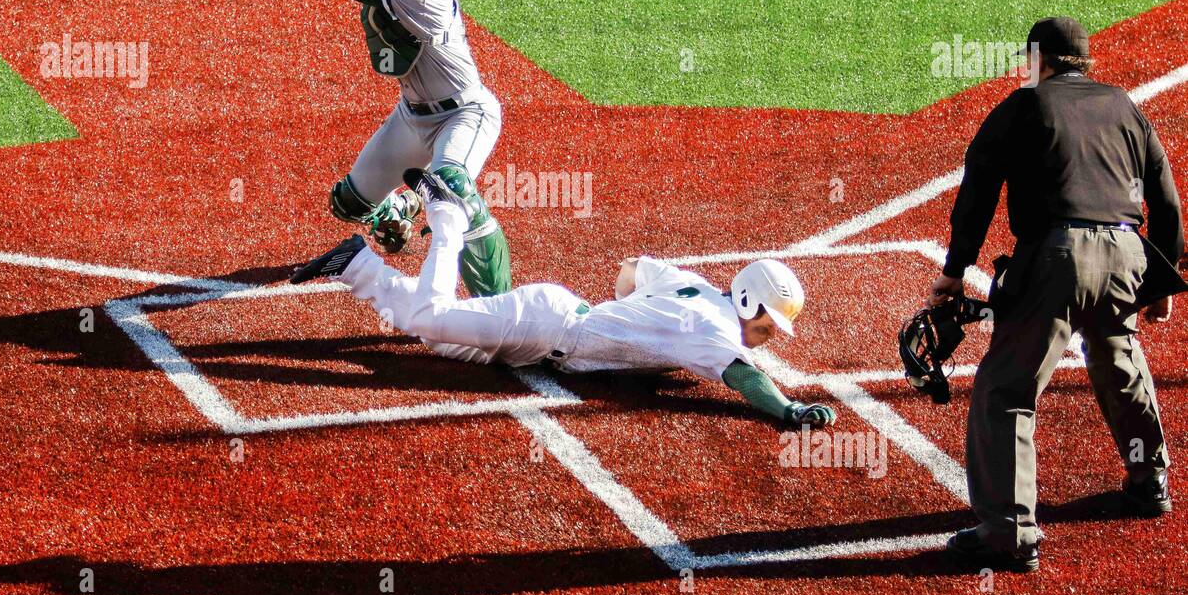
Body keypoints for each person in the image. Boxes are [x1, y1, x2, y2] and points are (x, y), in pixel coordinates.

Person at [927, 16, 1187, 572]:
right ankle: (1150, 482)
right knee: (1118, 360)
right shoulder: (1124, 105)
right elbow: (1165, 200)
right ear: (1086, 61)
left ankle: (1009, 533)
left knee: (1007, 390)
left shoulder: (1025, 105)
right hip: (1126, 254)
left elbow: (979, 187)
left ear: (1035, 60)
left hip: (1058, 259)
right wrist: (1161, 282)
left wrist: (954, 270)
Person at [296, 168, 839, 428]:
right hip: (548, 326)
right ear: (747, 301)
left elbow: (631, 270)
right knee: (431, 318)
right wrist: (788, 409)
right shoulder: (714, 328)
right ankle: (445, 213)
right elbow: (746, 378)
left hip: (550, 331)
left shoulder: (692, 286)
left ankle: (356, 265)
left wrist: (625, 323)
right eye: (768, 326)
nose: (767, 340)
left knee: (438, 342)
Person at [271, 0, 510, 296]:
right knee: (349, 203)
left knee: (452, 190)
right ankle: (399, 210)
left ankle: (499, 308)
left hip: (463, 114)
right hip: (411, 116)